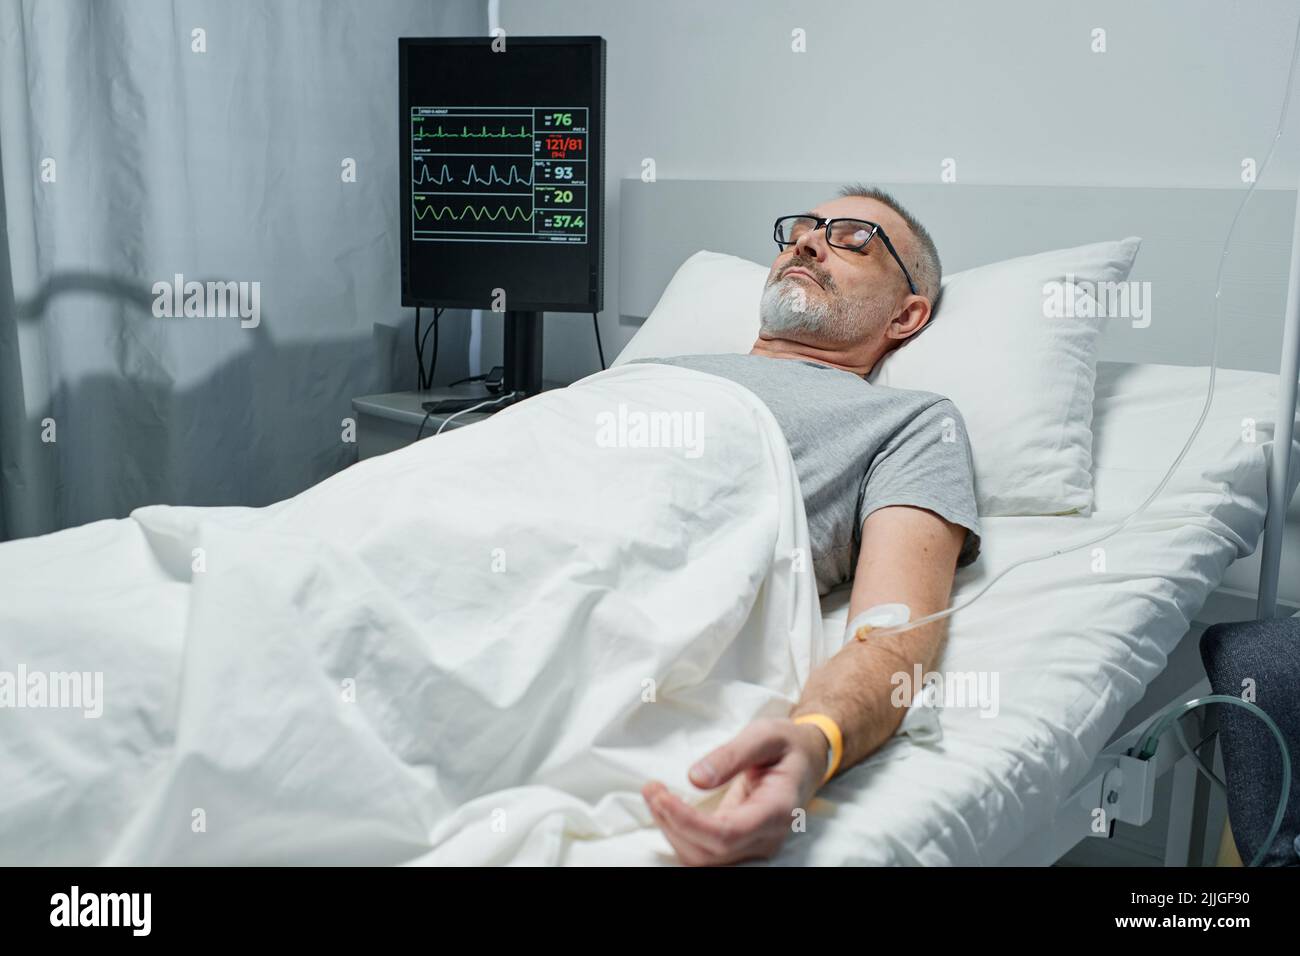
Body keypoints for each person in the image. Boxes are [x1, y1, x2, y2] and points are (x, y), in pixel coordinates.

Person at [633, 184, 982, 864]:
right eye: (803, 228)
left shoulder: (909, 421)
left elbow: (894, 635)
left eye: (853, 238)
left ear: (907, 315)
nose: (808, 240)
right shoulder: (648, 370)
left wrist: (816, 738)